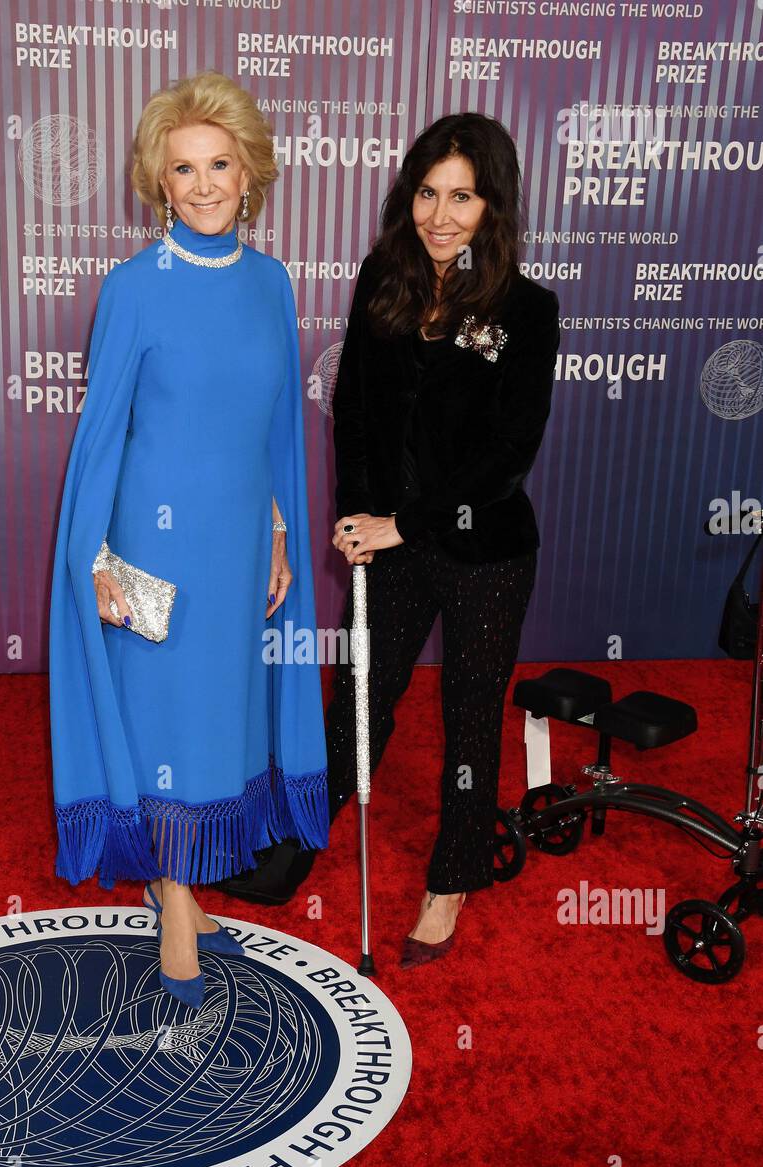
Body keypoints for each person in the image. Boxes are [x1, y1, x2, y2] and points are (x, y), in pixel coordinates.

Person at [216, 113, 560, 968]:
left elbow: (503, 457)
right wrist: (358, 518)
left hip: (483, 551)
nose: (440, 216)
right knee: (360, 698)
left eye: (462, 198)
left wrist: (403, 522)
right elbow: (357, 413)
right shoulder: (386, 278)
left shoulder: (526, 309)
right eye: (426, 194)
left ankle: (451, 878)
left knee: (469, 719)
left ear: (494, 206)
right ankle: (303, 835)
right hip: (389, 541)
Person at [48, 71, 329, 1008]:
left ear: (250, 171)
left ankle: (186, 888)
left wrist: (281, 531)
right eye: (182, 170)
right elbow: (101, 439)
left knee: (221, 715)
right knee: (162, 715)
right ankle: (173, 898)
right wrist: (91, 555)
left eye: (219, 164)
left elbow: (275, 429)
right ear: (156, 183)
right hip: (153, 544)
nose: (204, 185)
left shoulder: (271, 284)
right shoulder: (133, 289)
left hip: (241, 541)